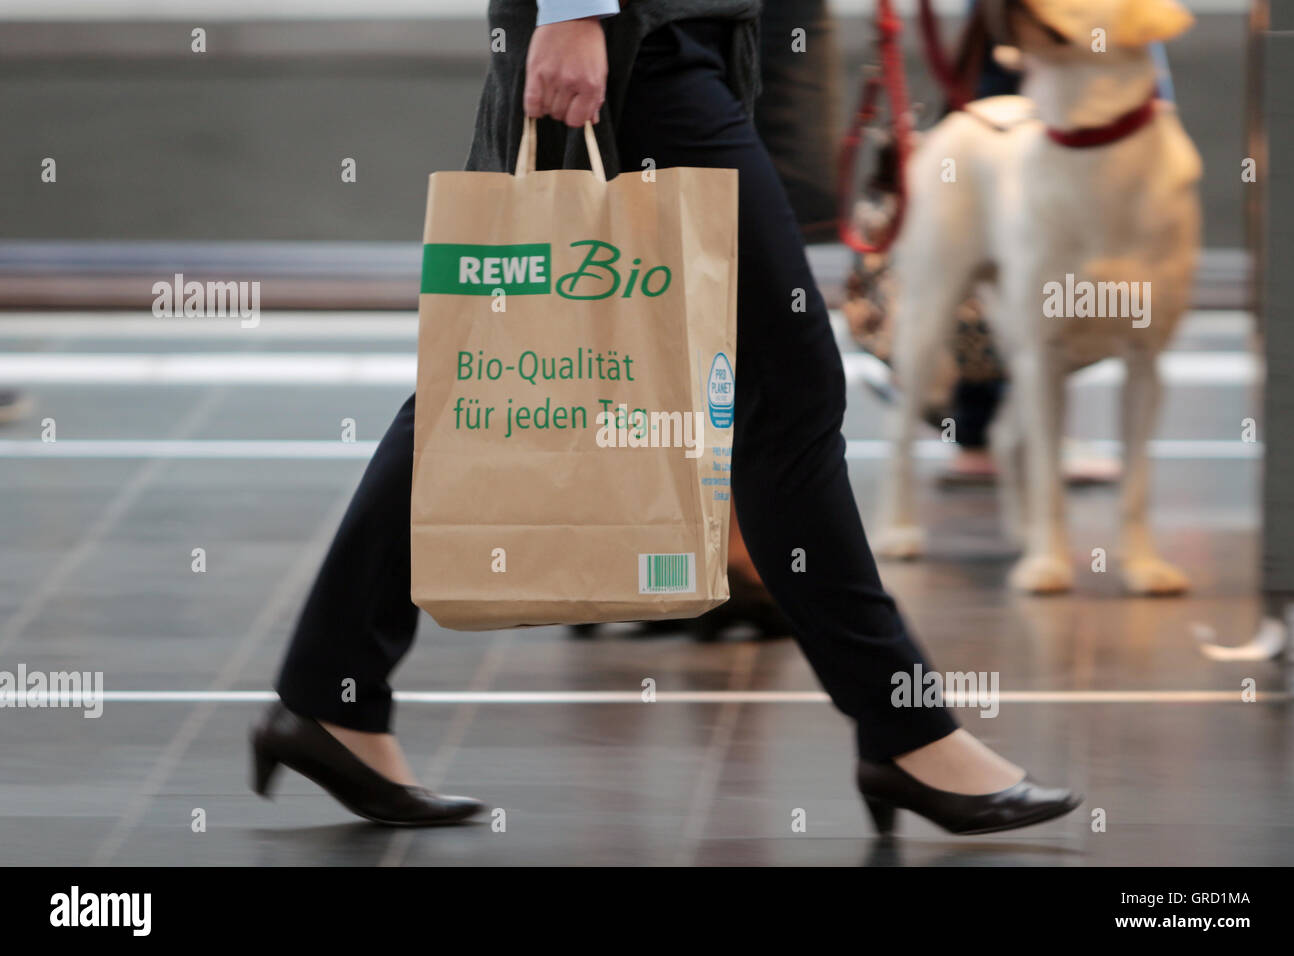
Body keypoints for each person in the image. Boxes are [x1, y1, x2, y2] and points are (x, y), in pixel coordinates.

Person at [251, 0, 1081, 836]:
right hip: (640, 41)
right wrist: (576, 11)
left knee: (502, 376)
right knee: (778, 392)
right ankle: (908, 731)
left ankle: (332, 692)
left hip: (697, 36)